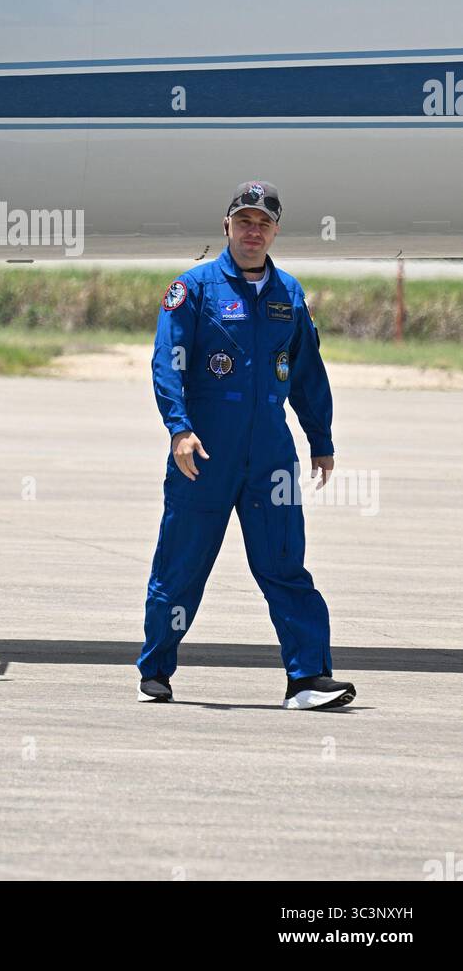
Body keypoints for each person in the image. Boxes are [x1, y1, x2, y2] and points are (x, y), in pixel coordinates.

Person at [137, 181, 356, 711]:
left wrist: (321, 440)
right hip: (205, 455)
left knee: (285, 567)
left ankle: (307, 680)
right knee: (183, 565)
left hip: (270, 459)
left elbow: (307, 373)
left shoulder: (290, 296)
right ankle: (157, 665)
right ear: (227, 225)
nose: (253, 231)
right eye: (244, 221)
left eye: (263, 223)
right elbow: (168, 361)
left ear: (275, 230)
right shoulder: (194, 289)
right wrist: (179, 428)